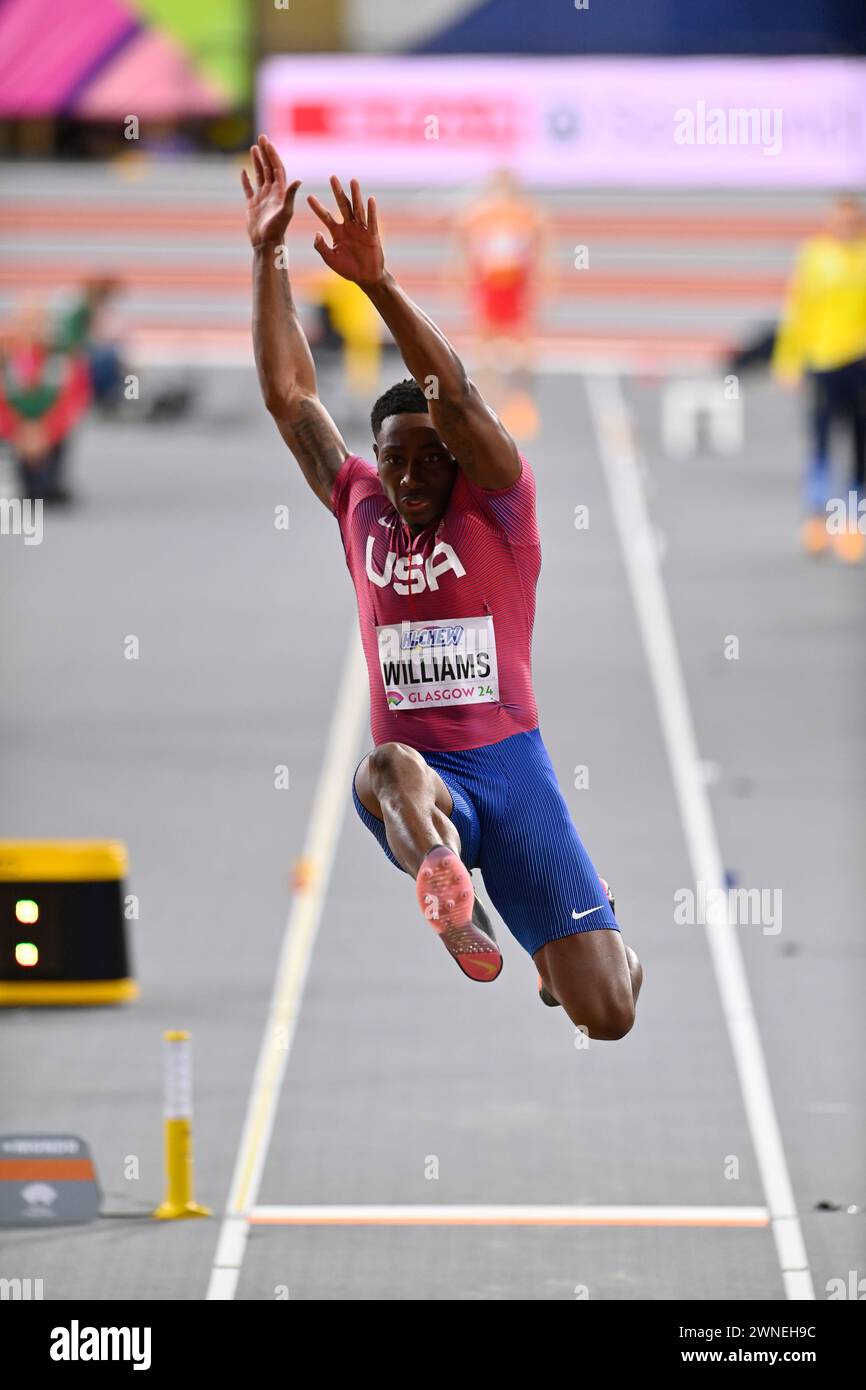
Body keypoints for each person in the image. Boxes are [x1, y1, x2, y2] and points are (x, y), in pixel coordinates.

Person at [242, 135, 642, 1038]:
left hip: (514, 771)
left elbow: (457, 395)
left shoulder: (499, 508)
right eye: (397, 462)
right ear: (374, 465)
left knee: (607, 1013)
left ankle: (579, 932)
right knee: (386, 768)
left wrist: (377, 285)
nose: (415, 477)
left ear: (459, 460)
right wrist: (266, 253)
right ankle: (449, 893)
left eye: (433, 459)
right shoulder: (358, 506)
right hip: (423, 786)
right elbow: (291, 399)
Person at [773, 194, 866, 562]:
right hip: (823, 361)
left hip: (859, 363)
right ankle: (816, 518)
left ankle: (852, 524)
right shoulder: (814, 256)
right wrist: (788, 359)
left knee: (860, 448)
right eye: (840, 220)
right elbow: (799, 309)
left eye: (852, 221)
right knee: (821, 442)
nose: (846, 227)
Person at [455, 169, 549, 443]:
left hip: (515, 289)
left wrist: (542, 284)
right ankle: (486, 404)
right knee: (484, 349)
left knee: (524, 348)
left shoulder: (528, 215)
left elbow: (541, 250)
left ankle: (520, 403)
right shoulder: (479, 216)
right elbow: (464, 250)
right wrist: (460, 280)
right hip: (489, 289)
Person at [0, 296, 91, 503]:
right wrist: (17, 432)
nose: (33, 328)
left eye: (39, 321)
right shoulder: (5, 356)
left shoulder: (61, 358)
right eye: (27, 321)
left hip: (49, 435)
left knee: (48, 492)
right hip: (14, 435)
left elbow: (74, 400)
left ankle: (50, 478)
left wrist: (46, 433)